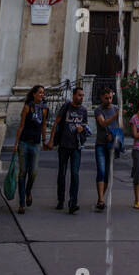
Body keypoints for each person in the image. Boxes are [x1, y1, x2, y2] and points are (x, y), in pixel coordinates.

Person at [48, 84, 89, 214]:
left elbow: (85, 127)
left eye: (82, 96)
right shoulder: (66, 107)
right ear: (73, 95)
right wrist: (51, 140)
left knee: (75, 174)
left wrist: (82, 129)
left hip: (76, 146)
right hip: (64, 145)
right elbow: (56, 123)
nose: (81, 98)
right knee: (62, 172)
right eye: (79, 95)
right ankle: (60, 199)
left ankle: (73, 202)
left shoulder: (83, 110)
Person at [12, 83, 47, 214]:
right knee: (22, 172)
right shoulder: (27, 107)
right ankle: (21, 203)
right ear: (34, 94)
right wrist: (15, 144)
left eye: (43, 93)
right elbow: (21, 126)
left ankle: (28, 191)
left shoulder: (44, 109)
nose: (41, 95)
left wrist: (44, 141)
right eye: (39, 93)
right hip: (24, 142)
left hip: (36, 143)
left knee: (33, 172)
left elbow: (43, 125)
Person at [94, 86, 119, 211]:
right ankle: (101, 200)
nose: (109, 100)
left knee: (107, 175)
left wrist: (114, 135)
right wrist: (115, 116)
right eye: (106, 98)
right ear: (101, 98)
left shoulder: (116, 108)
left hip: (111, 145)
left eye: (110, 98)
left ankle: (100, 199)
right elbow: (102, 123)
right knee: (101, 171)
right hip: (100, 144)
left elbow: (120, 127)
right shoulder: (98, 110)